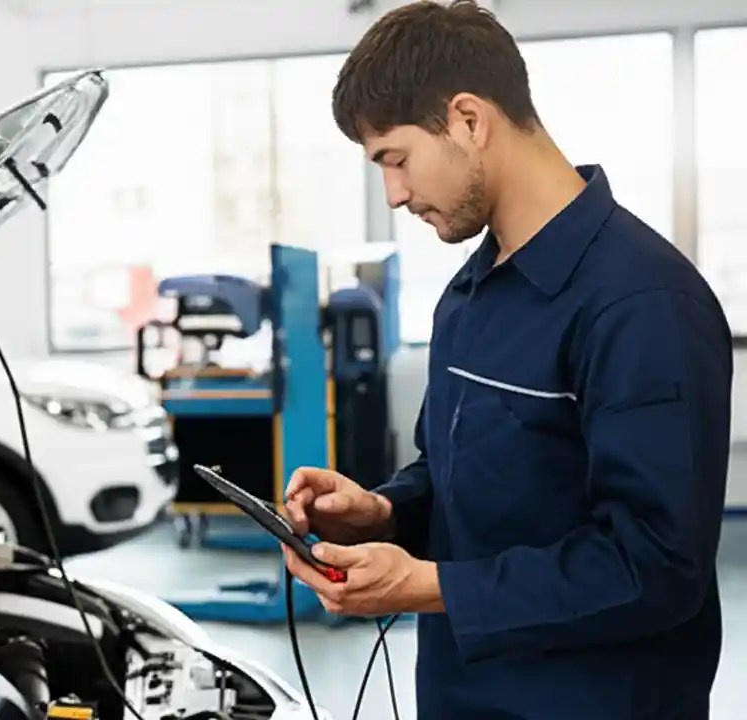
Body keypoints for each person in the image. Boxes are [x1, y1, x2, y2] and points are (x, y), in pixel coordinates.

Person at [281, 1, 733, 718]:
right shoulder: (471, 291)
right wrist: (380, 512)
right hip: (463, 695)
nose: (394, 194)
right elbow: (455, 477)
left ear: (468, 119)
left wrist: (428, 588)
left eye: (395, 159)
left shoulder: (643, 303)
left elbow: (653, 566)